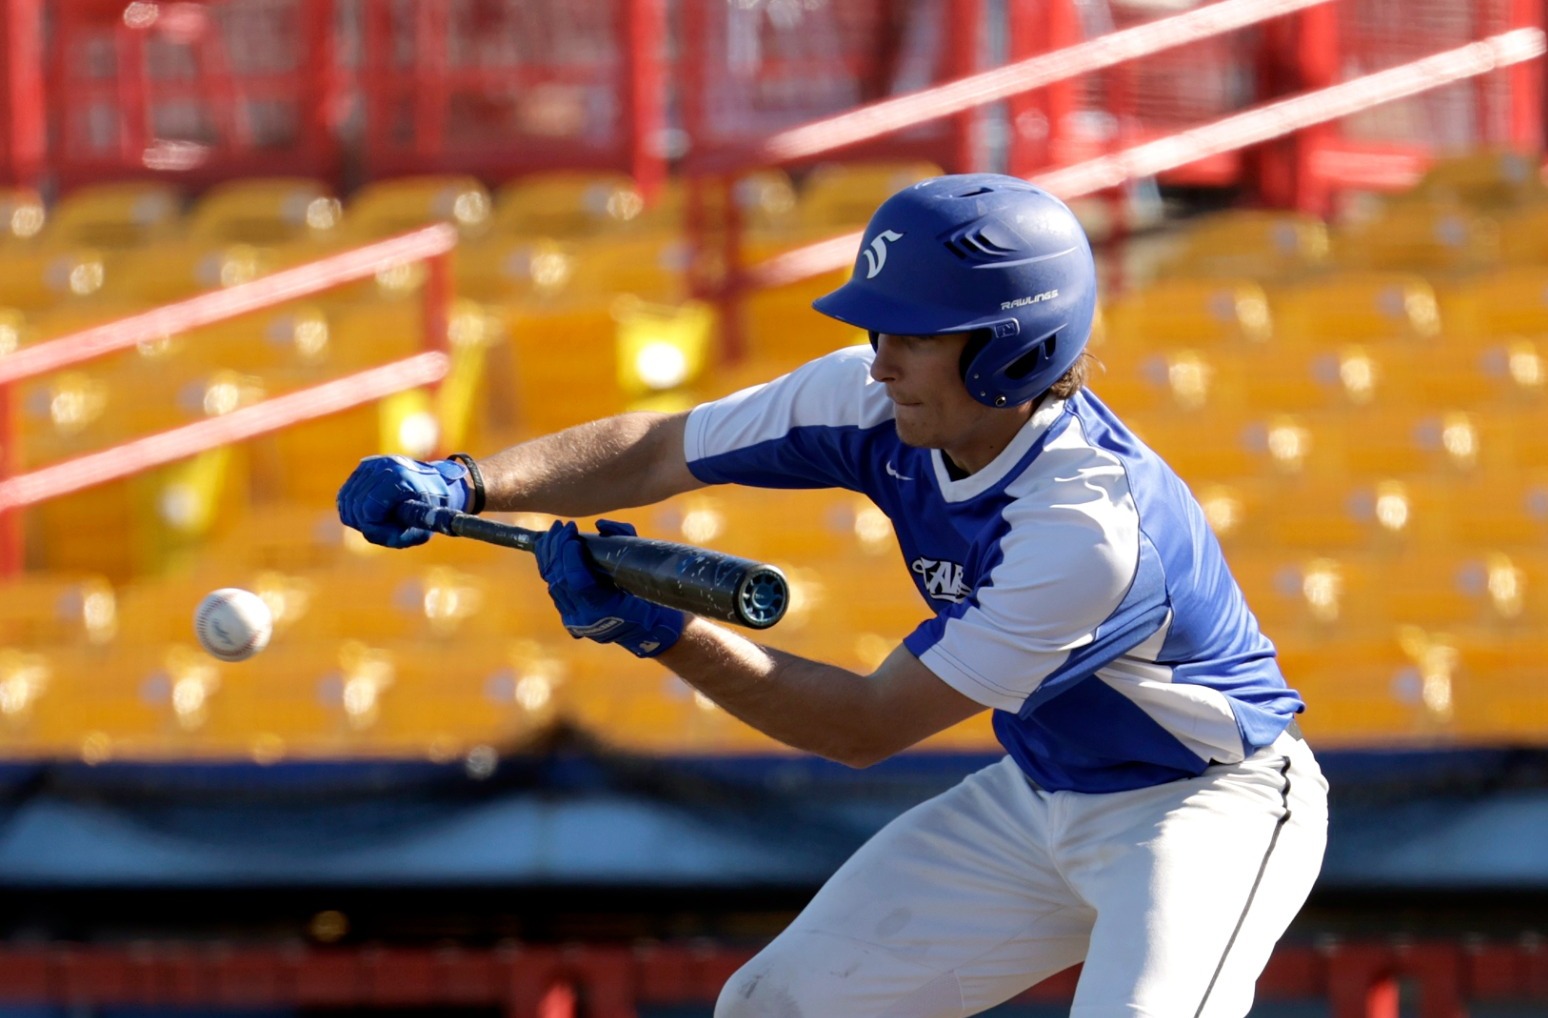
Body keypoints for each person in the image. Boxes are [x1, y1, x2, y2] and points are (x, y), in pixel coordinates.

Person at [336, 173, 1329, 1017]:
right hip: (1043, 793)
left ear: (1012, 349)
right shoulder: (879, 396)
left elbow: (864, 726)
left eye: (913, 333)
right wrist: (467, 483)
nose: (881, 357)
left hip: (1204, 803)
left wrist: (665, 632)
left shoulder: (1082, 530)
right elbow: (660, 450)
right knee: (773, 1006)